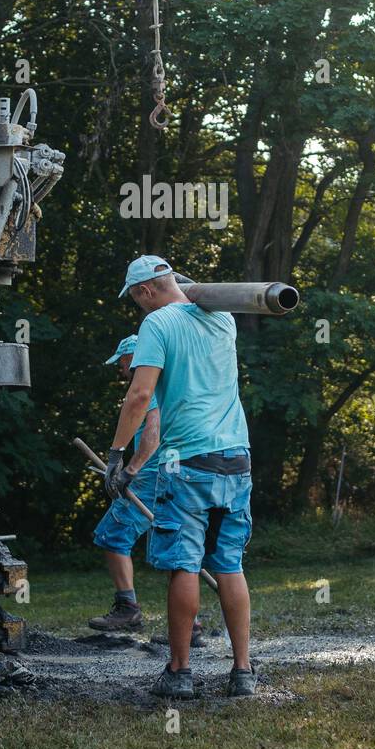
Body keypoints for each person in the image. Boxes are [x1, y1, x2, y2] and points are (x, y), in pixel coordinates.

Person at [104, 255, 256, 699]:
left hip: (185, 461)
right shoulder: (222, 316)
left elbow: (141, 393)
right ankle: (243, 672)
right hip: (236, 457)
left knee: (184, 565)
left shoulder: (158, 324)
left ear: (145, 291)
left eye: (136, 298)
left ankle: (179, 672)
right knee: (229, 564)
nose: (138, 307)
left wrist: (117, 454)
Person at [88, 335, 160, 630]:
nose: (120, 368)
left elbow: (152, 432)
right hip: (174, 473)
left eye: (121, 361)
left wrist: (130, 471)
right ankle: (191, 625)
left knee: (112, 535)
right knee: (174, 543)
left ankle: (128, 608)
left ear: (133, 358)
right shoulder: (172, 384)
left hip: (152, 475)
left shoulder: (147, 386)